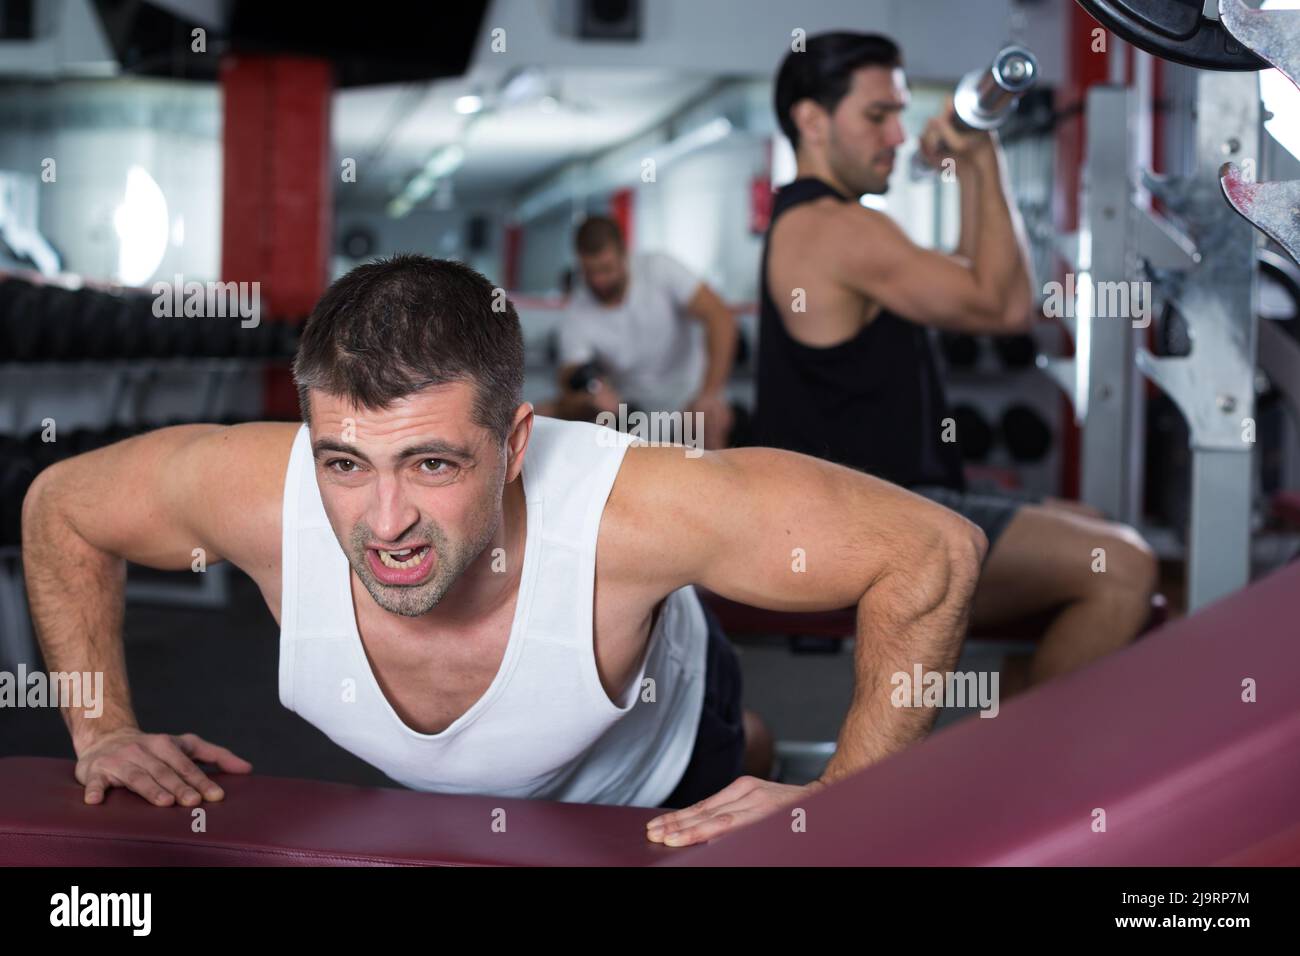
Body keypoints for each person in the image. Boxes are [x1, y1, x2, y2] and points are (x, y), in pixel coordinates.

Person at [21, 254, 986, 848]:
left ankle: (759, 741)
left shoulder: (640, 510)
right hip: (487, 777)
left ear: (517, 443)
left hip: (656, 760)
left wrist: (845, 804)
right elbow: (61, 507)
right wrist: (101, 729)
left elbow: (931, 550)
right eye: (346, 462)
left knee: (732, 755)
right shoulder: (248, 493)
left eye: (433, 463)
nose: (383, 521)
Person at [755, 32, 1158, 692]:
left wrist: (970, 165)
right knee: (1121, 566)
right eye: (877, 116)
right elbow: (1004, 307)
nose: (896, 136)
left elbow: (979, 273)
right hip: (861, 526)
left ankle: (1018, 718)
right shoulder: (836, 229)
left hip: (889, 502)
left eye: (899, 114)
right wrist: (983, 155)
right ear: (811, 120)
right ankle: (1029, 777)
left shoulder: (824, 222)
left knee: (1089, 526)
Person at [544, 215, 738, 449]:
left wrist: (709, 392)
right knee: (546, 412)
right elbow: (570, 377)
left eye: (606, 269)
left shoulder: (659, 269)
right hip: (631, 409)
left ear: (624, 254)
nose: (598, 280)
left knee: (710, 418)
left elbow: (719, 317)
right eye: (589, 272)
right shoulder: (577, 311)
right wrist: (591, 395)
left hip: (689, 398)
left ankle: (711, 483)